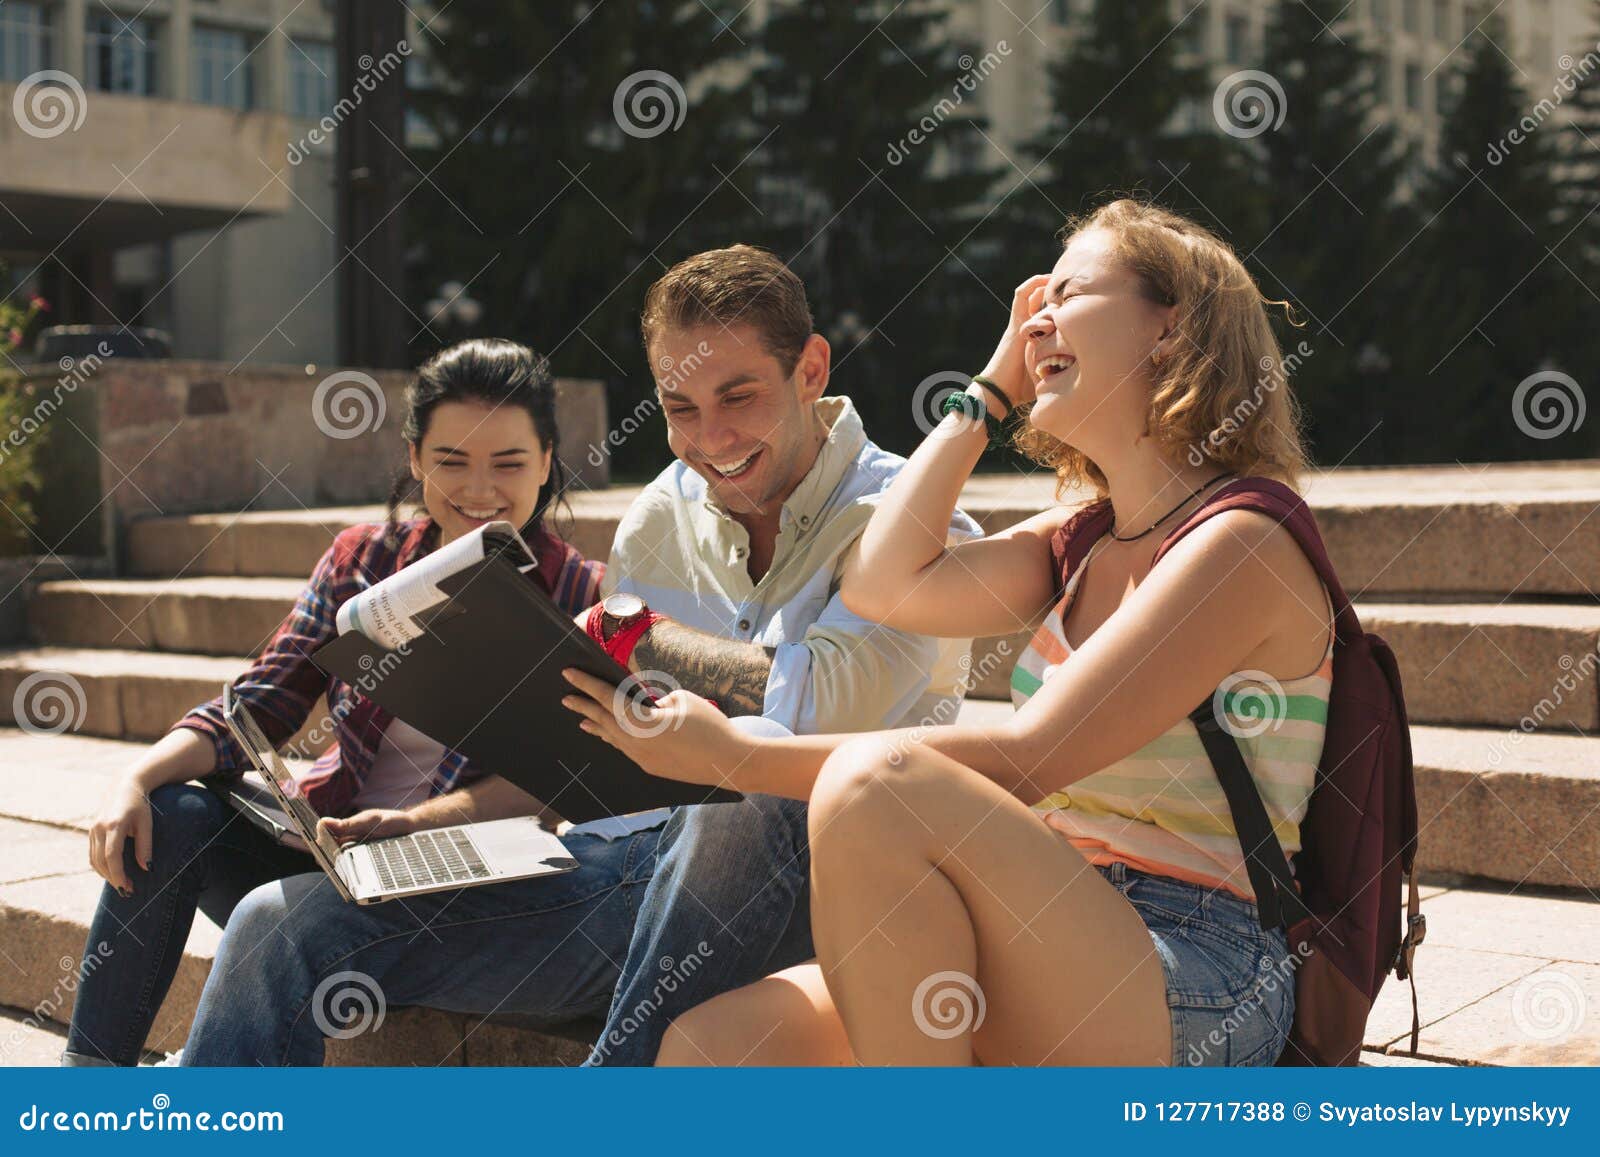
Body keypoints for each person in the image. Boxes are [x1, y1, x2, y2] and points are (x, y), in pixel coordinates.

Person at [151, 247, 976, 1066]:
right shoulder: (664, 512)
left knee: (749, 775)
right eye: (678, 406)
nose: (709, 437)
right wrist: (424, 825)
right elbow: (594, 744)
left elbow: (829, 710)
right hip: (616, 874)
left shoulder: (908, 521)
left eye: (739, 395)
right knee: (274, 926)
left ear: (811, 370)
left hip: (815, 892)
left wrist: (640, 634)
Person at [561, 200, 1337, 1067]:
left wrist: (735, 759)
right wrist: (992, 389)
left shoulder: (1241, 542)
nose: (1036, 315)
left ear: (1171, 327)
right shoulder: (1081, 540)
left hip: (1198, 966)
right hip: (1048, 916)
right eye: (1032, 304)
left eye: (1068, 293)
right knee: (712, 1049)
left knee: (874, 780)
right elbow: (884, 582)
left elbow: (1034, 754)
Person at [63, 338, 605, 1066]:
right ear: (414, 458)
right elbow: (261, 700)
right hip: (327, 850)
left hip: (453, 889)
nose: (480, 488)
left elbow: (554, 781)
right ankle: (87, 1083)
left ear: (547, 461)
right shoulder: (364, 562)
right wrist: (133, 779)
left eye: (509, 463)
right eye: (451, 460)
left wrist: (412, 826)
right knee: (168, 813)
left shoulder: (579, 597)